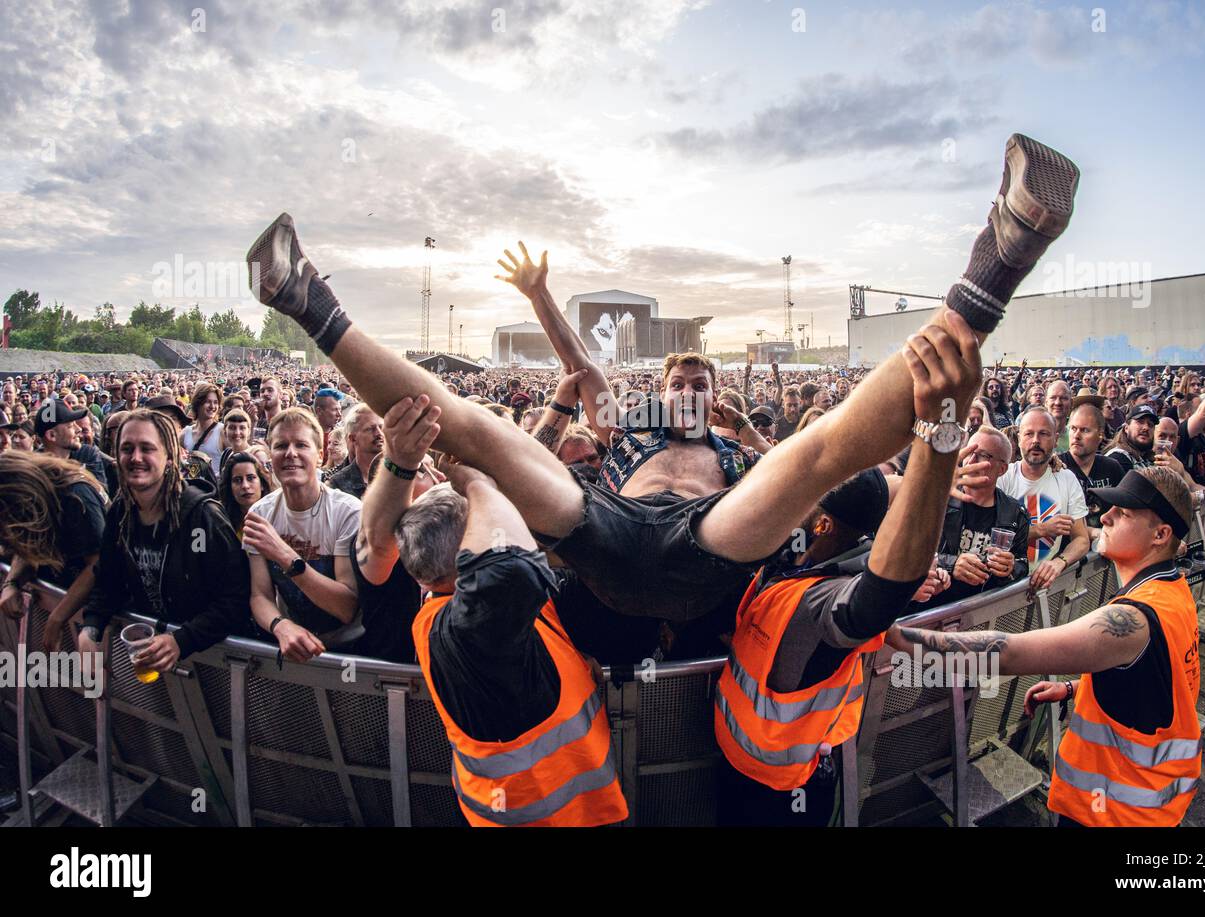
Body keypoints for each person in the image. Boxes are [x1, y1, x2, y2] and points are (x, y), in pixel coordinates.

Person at [245, 131, 1078, 624]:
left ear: (711, 397)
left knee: (824, 450)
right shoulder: (633, 426)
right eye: (676, 379)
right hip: (603, 527)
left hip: (707, 543)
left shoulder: (732, 446)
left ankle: (1000, 257)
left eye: (697, 382)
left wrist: (770, 440)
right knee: (475, 429)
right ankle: (304, 296)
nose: (684, 391)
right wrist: (540, 297)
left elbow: (832, 469)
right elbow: (581, 370)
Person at [715, 336, 982, 825]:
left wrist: (940, 434)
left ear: (820, 524)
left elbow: (882, 592)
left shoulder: (822, 600)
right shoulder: (791, 562)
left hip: (784, 794)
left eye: (804, 501)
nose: (787, 504)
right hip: (736, 770)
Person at [892, 466, 1202, 826]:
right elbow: (1160, 682)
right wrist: (1075, 688)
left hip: (1117, 812)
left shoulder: (1136, 619)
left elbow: (1007, 653)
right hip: (1137, 802)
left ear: (1161, 534)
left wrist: (896, 635)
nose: (1107, 516)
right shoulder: (1168, 590)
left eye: (1124, 513)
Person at [402, 462, 630, 827]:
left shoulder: (459, 609)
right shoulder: (469, 628)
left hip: (560, 808)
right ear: (468, 551)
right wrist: (479, 486)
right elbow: (514, 570)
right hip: (546, 815)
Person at [76, 409, 250, 668]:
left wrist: (182, 640)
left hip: (211, 662)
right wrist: (91, 627)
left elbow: (236, 598)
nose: (136, 457)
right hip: (152, 656)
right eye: (127, 448)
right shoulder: (120, 512)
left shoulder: (202, 519)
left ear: (169, 457)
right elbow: (108, 581)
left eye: (147, 448)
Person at [243, 407, 361, 658]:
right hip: (292, 645)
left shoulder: (347, 512)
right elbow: (260, 595)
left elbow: (346, 607)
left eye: (301, 445)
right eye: (281, 445)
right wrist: (281, 626)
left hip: (350, 651)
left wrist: (285, 555)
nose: (290, 453)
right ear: (270, 455)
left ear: (319, 455)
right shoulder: (260, 514)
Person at [351, 396, 444, 664]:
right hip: (391, 686)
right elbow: (381, 541)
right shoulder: (368, 542)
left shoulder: (451, 528)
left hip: (442, 688)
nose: (438, 478)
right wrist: (402, 459)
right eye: (423, 471)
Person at [0, 452, 107, 653]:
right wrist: (12, 582)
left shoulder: (76, 494)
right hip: (65, 608)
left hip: (101, 617)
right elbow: (28, 543)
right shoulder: (33, 502)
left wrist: (58, 616)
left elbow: (99, 562)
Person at [932, 427, 1030, 604]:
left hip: (982, 611)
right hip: (933, 608)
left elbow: (1022, 565)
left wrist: (1011, 568)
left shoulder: (1015, 513)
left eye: (983, 455)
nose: (971, 460)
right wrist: (951, 564)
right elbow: (909, 550)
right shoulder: (940, 499)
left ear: (1001, 469)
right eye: (969, 452)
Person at [997, 407, 1090, 591]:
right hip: (1001, 587)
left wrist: (1059, 562)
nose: (1036, 441)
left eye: (1044, 434)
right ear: (1019, 439)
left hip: (1046, 587)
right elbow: (993, 537)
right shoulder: (1003, 478)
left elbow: (1082, 539)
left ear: (1056, 439)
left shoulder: (1067, 479)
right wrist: (1042, 529)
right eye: (1029, 434)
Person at [1060, 402, 1126, 539]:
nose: (1076, 436)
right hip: (1068, 550)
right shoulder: (1058, 467)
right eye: (1073, 428)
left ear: (1100, 434)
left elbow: (1126, 511)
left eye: (1085, 430)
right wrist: (1093, 533)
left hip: (1108, 547)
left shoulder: (1112, 467)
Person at [35, 399, 108, 489]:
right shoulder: (33, 472)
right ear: (52, 435)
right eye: (70, 425)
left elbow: (101, 497)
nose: (78, 429)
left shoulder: (87, 454)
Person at [327, 403, 384, 499]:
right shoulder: (337, 485)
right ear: (353, 438)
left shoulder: (397, 475)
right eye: (370, 429)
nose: (379, 433)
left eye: (381, 427)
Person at [218, 450, 274, 537]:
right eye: (237, 480)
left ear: (262, 484)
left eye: (250, 478)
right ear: (230, 487)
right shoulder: (221, 522)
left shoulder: (277, 516)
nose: (245, 486)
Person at [180, 382, 225, 474]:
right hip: (193, 485)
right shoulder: (185, 433)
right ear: (198, 403)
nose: (212, 406)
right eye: (208, 402)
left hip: (214, 487)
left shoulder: (222, 431)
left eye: (215, 402)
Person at [1104, 403, 1158, 473]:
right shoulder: (1118, 459)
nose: (1146, 427)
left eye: (1150, 424)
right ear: (1126, 428)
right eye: (1140, 422)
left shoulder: (1148, 459)